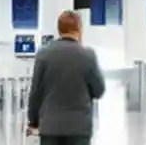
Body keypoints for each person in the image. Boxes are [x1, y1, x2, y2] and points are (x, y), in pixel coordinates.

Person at [26, 10, 106, 145]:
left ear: (59, 29)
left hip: (50, 128)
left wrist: (33, 120)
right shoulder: (88, 55)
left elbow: (36, 92)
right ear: (79, 29)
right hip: (79, 128)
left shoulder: (43, 54)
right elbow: (99, 90)